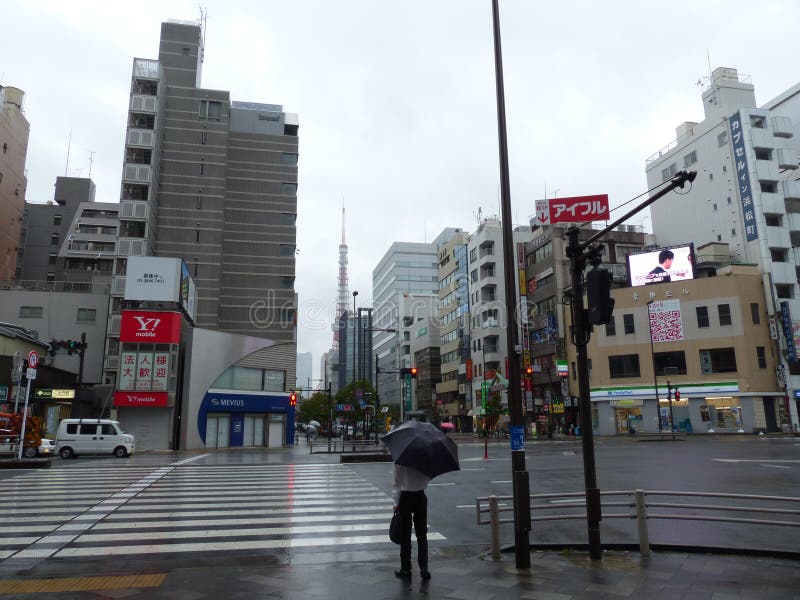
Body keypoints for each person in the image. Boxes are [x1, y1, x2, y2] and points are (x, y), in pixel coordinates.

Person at [392, 463, 431, 581]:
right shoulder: (424, 456)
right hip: (420, 495)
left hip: (405, 497)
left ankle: (406, 568)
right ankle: (424, 569)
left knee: (405, 535)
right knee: (422, 534)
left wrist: (395, 502)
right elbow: (427, 477)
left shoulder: (400, 459)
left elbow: (397, 482)